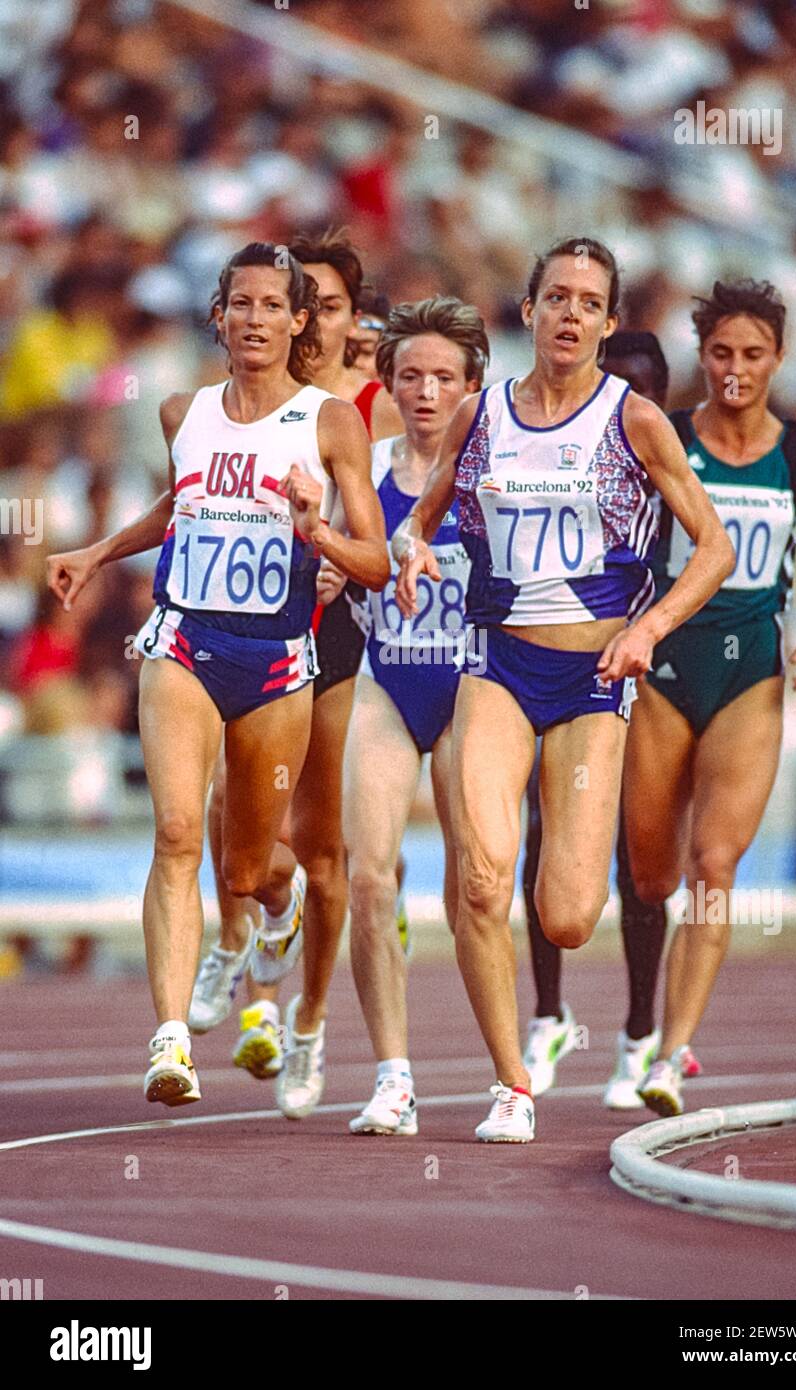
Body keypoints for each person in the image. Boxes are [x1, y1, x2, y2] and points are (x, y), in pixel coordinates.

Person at [392, 236, 733, 1142]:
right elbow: (421, 519)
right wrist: (413, 552)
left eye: (589, 301)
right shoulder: (479, 414)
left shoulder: (635, 421)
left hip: (591, 678)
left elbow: (714, 548)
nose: (571, 314)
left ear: (608, 322)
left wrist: (647, 629)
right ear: (529, 311)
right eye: (557, 297)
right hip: (496, 664)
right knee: (475, 878)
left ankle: (579, 1018)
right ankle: (511, 1083)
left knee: (569, 914)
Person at [46, 241, 389, 1106]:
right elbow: (182, 502)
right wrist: (97, 551)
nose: (255, 319)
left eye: (274, 305)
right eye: (241, 303)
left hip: (277, 663)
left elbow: (377, 560)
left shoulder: (329, 421)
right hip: (183, 646)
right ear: (219, 315)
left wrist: (316, 531)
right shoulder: (182, 411)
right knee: (173, 833)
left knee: (246, 868)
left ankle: (277, 910)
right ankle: (169, 1040)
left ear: (299, 322)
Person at [625, 279, 796, 1117]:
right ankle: (648, 1021)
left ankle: (671, 1047)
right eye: (720, 352)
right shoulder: (666, 440)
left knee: (713, 863)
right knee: (650, 876)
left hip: (750, 675)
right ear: (702, 355)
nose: (734, 369)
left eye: (751, 354)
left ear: (776, 359)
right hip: (664, 673)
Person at [191, 231, 403, 1119]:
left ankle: (305, 1020)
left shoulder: (375, 410)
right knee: (227, 809)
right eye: (288, 299)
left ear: (353, 320)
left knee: (321, 851)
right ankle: (249, 963)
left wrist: (340, 547)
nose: (301, 316)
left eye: (321, 303)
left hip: (337, 636)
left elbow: (400, 530)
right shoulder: (238, 401)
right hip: (244, 632)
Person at [344, 296, 489, 1135]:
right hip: (387, 679)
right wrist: (328, 568)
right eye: (410, 376)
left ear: (472, 386)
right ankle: (392, 1077)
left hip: (472, 685)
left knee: (473, 886)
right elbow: (334, 561)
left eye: (442, 377)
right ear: (386, 382)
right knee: (369, 876)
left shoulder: (493, 468)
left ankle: (505, 1075)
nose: (425, 392)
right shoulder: (359, 470)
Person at [519, 331, 674, 1102]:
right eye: (615, 383)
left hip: (654, 672)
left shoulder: (674, 464)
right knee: (544, 835)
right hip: (565, 668)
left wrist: (652, 633)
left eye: (642, 388)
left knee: (639, 858)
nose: (624, 400)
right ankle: (547, 1013)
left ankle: (641, 1030)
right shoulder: (569, 458)